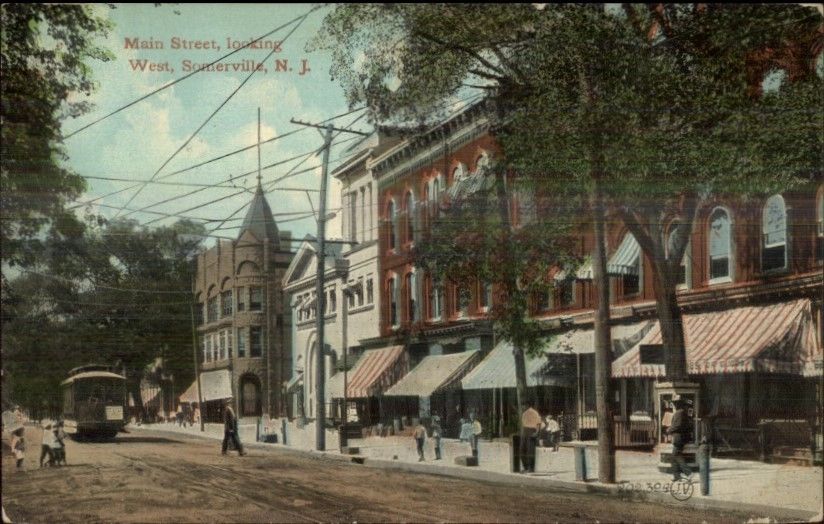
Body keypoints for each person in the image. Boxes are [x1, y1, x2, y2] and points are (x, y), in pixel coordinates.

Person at [668, 398, 693, 482]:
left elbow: (677, 426)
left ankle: (688, 473)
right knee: (673, 456)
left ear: (677, 405)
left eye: (675, 404)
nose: (674, 405)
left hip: (679, 438)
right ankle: (676, 476)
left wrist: (669, 430)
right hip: (679, 437)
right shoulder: (682, 412)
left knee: (676, 455)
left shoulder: (679, 413)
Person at [520, 401, 541, 473]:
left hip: (532, 431)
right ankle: (526, 467)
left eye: (523, 405)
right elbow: (523, 425)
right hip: (525, 431)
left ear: (527, 405)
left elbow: (538, 424)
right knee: (522, 449)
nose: (522, 407)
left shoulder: (534, 413)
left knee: (530, 450)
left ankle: (531, 468)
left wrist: (536, 432)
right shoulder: (524, 414)